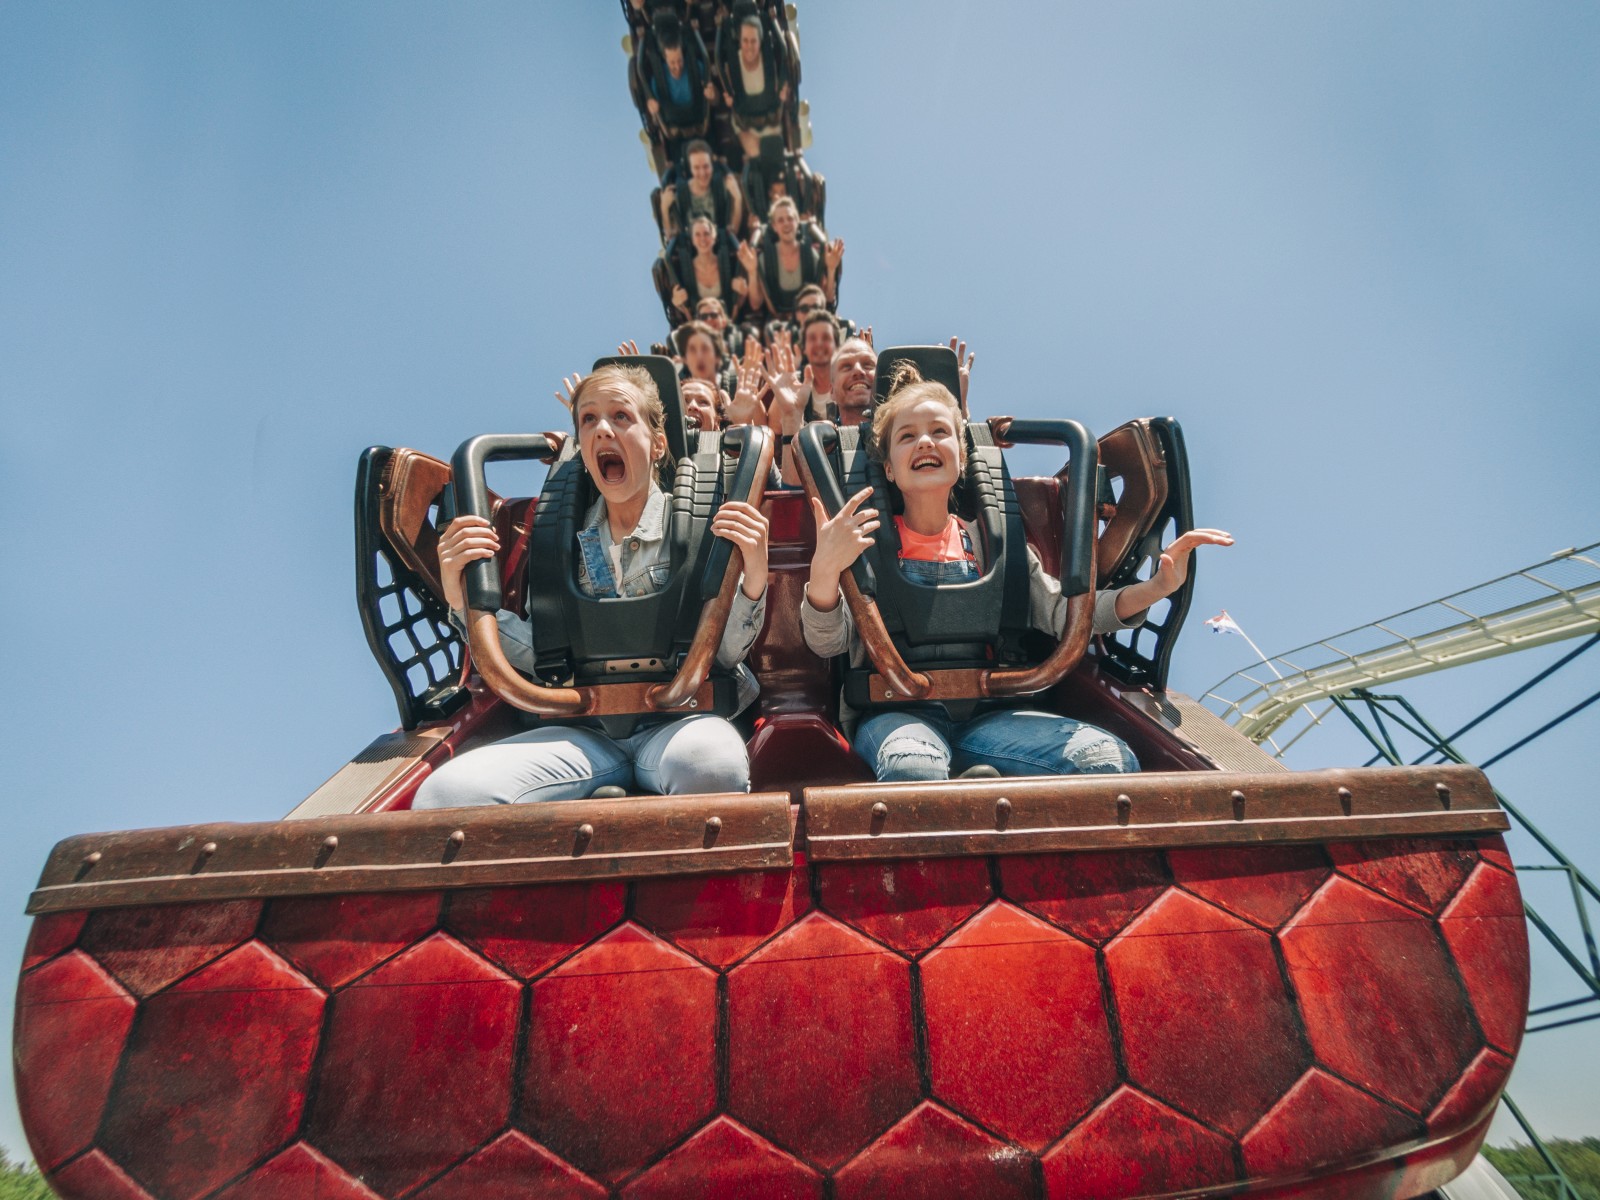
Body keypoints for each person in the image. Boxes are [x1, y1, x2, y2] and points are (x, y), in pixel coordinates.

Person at [801, 362, 1233, 782]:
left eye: (939, 432)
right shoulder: (861, 543)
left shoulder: (998, 546)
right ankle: (962, 784)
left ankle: (976, 781)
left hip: (994, 713)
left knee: (1107, 758)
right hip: (895, 711)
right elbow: (827, 642)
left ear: (963, 456)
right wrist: (825, 568)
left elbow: (1069, 616)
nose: (925, 443)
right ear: (889, 469)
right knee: (913, 768)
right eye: (907, 436)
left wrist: (1155, 587)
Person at [414, 364, 770, 807]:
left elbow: (727, 651)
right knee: (445, 795)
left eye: (621, 416)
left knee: (710, 766)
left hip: (680, 719)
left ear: (658, 443)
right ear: (581, 448)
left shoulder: (698, 523)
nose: (603, 429)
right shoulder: (558, 540)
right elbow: (538, 653)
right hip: (584, 727)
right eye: (589, 420)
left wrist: (754, 575)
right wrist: (459, 596)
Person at [744, 196, 841, 318]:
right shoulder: (767, 259)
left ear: (797, 222)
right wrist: (752, 271)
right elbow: (756, 304)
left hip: (810, 320)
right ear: (774, 226)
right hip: (778, 323)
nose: (786, 224)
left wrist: (831, 269)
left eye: (790, 219)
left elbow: (828, 298)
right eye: (780, 220)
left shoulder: (810, 256)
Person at [724, 15, 788, 160]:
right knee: (756, 155)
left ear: (760, 42)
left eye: (753, 41)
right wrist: (729, 100)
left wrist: (783, 94)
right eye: (745, 41)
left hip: (770, 121)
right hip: (746, 124)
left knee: (772, 155)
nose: (749, 47)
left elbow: (781, 86)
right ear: (739, 41)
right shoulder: (733, 64)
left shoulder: (770, 62)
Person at [666, 215, 751, 322]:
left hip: (727, 321)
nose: (702, 239)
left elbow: (738, 302)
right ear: (692, 239)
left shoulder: (729, 262)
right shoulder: (683, 269)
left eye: (706, 234)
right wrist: (676, 301)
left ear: (714, 237)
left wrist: (742, 292)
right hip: (699, 326)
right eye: (697, 234)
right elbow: (681, 305)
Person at [659, 139, 744, 240]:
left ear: (712, 165)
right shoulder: (681, 193)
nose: (702, 173)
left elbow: (733, 232)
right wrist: (664, 209)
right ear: (690, 169)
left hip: (721, 247)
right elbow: (670, 236)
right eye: (696, 168)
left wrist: (738, 198)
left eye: (706, 166)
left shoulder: (721, 188)